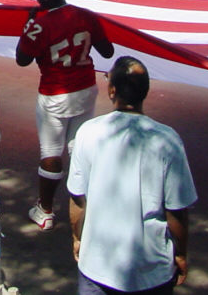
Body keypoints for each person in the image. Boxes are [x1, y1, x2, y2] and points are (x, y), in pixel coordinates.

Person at [68, 56, 197, 294]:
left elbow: (77, 199)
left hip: (96, 265)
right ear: (145, 92)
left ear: (112, 91)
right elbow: (176, 211)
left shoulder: (88, 133)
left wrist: (78, 238)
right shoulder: (168, 139)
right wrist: (180, 254)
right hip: (151, 271)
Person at [15, 0, 114, 230]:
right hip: (86, 88)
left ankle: (45, 211)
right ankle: (90, 207)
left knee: (51, 151)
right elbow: (107, 51)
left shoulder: (40, 24)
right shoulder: (87, 16)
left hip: (54, 94)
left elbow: (22, 59)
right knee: (78, 148)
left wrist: (29, 23)